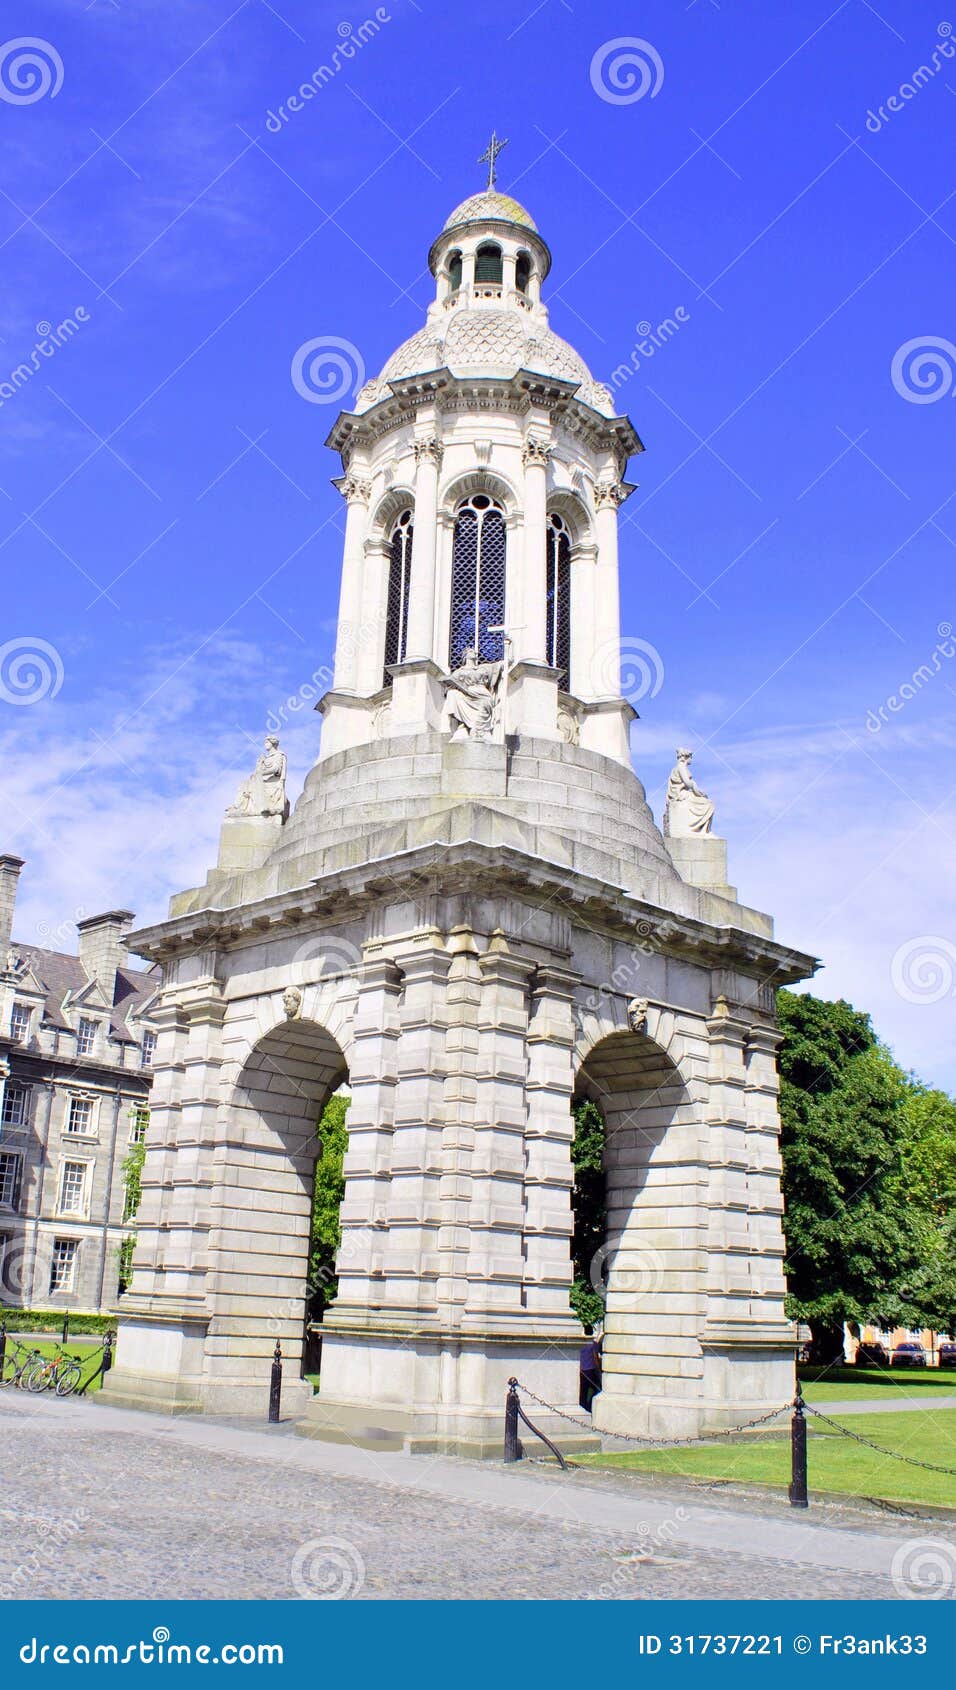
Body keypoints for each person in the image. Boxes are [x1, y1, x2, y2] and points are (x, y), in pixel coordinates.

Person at [579, 1324, 603, 1410]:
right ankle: (590, 1406)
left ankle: (583, 1406)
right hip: (591, 1371)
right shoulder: (594, 1344)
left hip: (582, 1371)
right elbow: (595, 1357)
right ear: (592, 1332)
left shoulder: (581, 1344)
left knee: (583, 1391)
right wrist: (599, 1370)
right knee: (598, 1388)